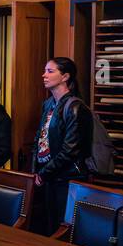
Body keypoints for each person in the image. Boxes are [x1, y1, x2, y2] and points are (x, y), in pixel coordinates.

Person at [31, 56, 93, 236]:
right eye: (45, 71)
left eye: (50, 71)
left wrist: (44, 172)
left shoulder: (74, 107)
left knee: (63, 226)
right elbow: (40, 138)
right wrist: (36, 169)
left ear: (65, 77)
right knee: (46, 224)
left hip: (66, 178)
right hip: (48, 175)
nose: (44, 75)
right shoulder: (49, 103)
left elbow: (70, 150)